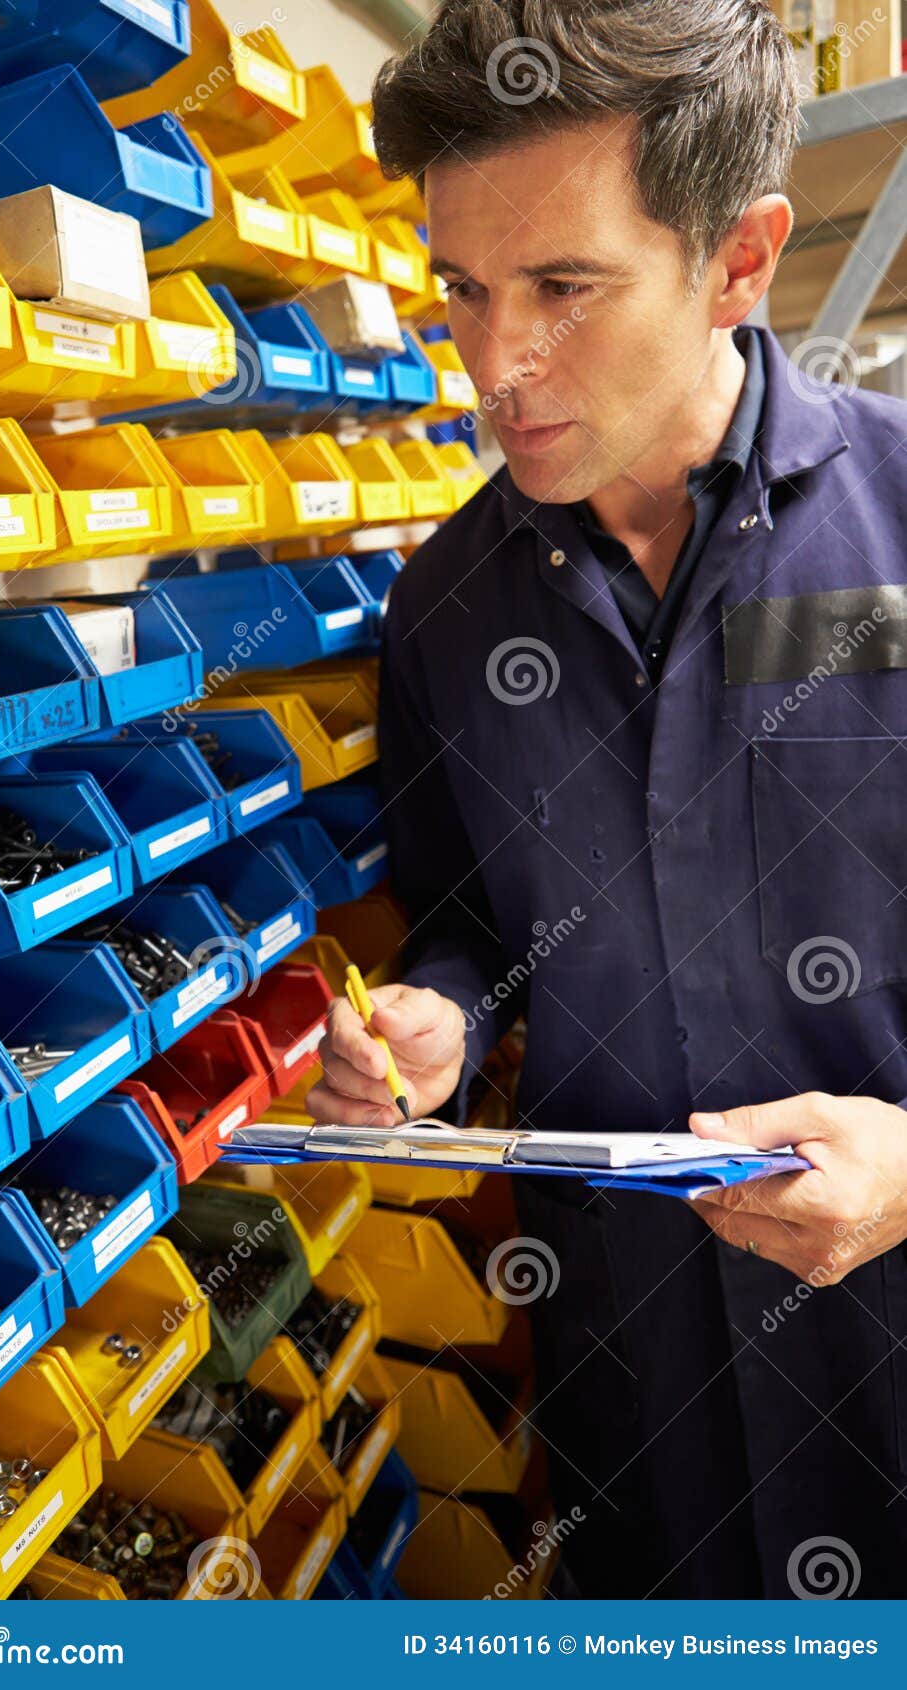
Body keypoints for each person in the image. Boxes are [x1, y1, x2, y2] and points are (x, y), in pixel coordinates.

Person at [305, 0, 907, 1598]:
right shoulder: (445, 609)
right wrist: (436, 1018)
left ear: (739, 261)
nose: (496, 363)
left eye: (565, 287)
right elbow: (451, 916)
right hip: (640, 1395)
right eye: (464, 289)